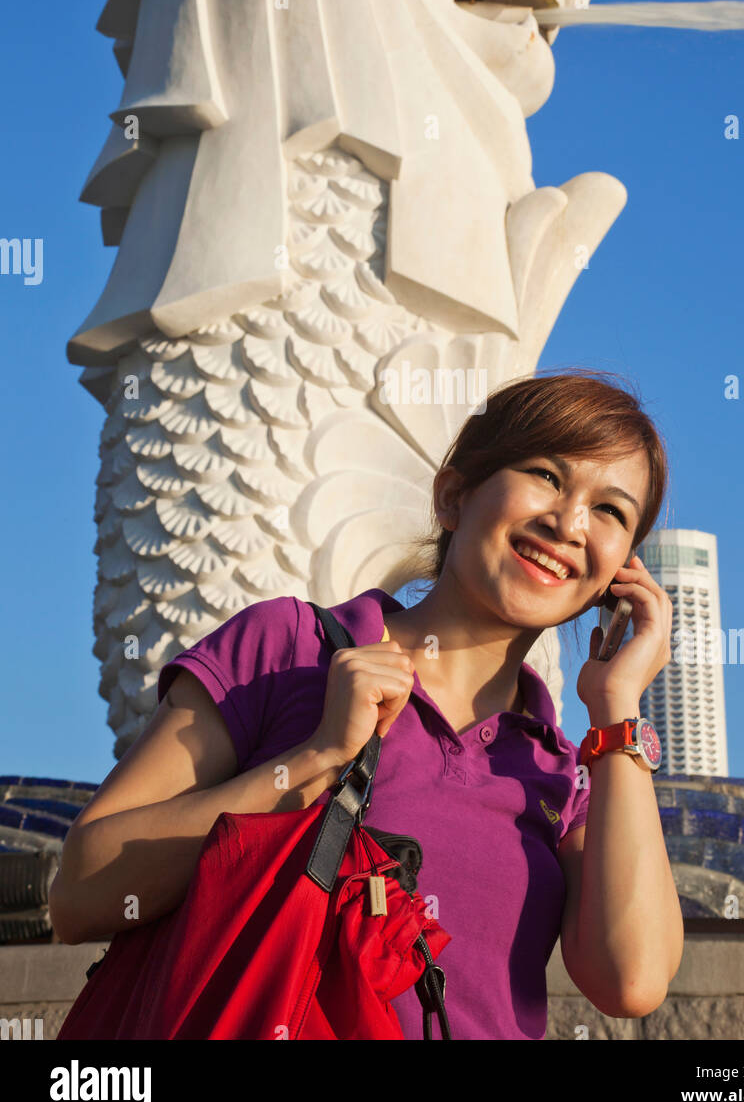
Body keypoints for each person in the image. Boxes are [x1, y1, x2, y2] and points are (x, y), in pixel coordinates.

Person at [48, 368, 684, 1039]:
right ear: (453, 496)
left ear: (621, 576)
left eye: (611, 511)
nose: (569, 522)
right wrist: (319, 759)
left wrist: (617, 707)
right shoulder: (289, 647)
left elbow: (632, 981)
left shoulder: (566, 775)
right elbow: (82, 893)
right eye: (546, 476)